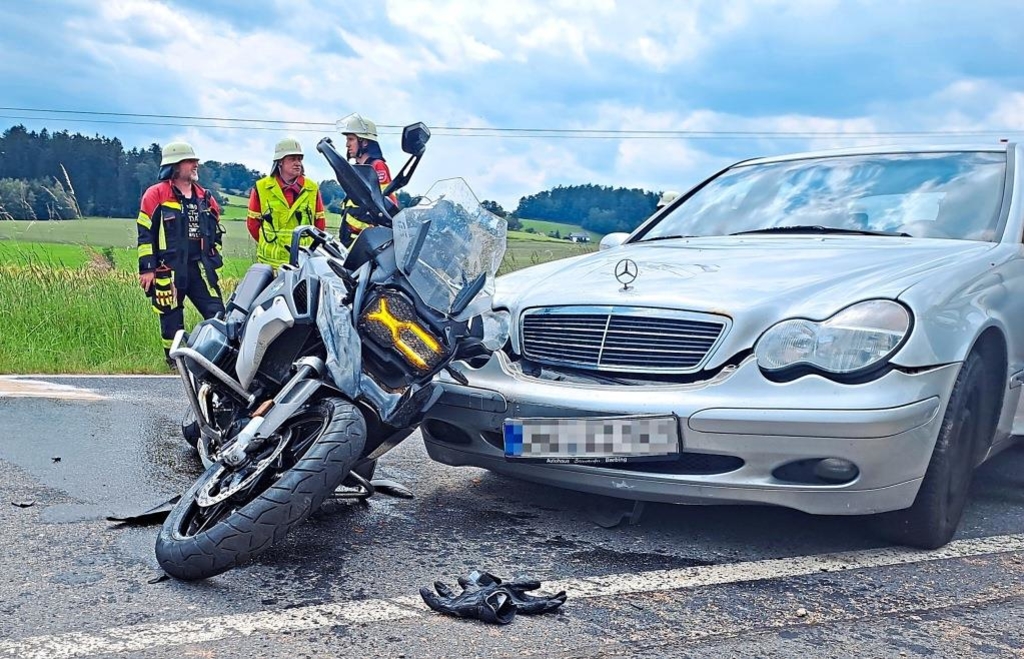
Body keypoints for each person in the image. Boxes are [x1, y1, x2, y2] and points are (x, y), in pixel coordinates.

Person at [137, 142, 225, 366]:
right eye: (190, 161)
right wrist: (148, 269)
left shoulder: (205, 197)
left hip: (198, 267)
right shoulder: (155, 195)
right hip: (168, 268)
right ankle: (173, 361)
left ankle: (219, 357)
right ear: (175, 166)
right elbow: (145, 234)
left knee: (217, 312)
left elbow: (216, 232)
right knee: (170, 315)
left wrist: (213, 258)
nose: (196, 164)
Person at [246, 137, 327, 269]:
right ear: (280, 162)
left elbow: (319, 226)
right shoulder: (261, 187)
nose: (298, 163)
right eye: (292, 159)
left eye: (299, 159)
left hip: (301, 264)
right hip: (269, 264)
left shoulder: (312, 188)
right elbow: (253, 225)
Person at [337, 113, 399, 246]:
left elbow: (387, 203)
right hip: (352, 241)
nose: (347, 144)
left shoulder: (377, 166)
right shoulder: (358, 169)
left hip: (368, 243)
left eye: (351, 139)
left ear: (364, 142)